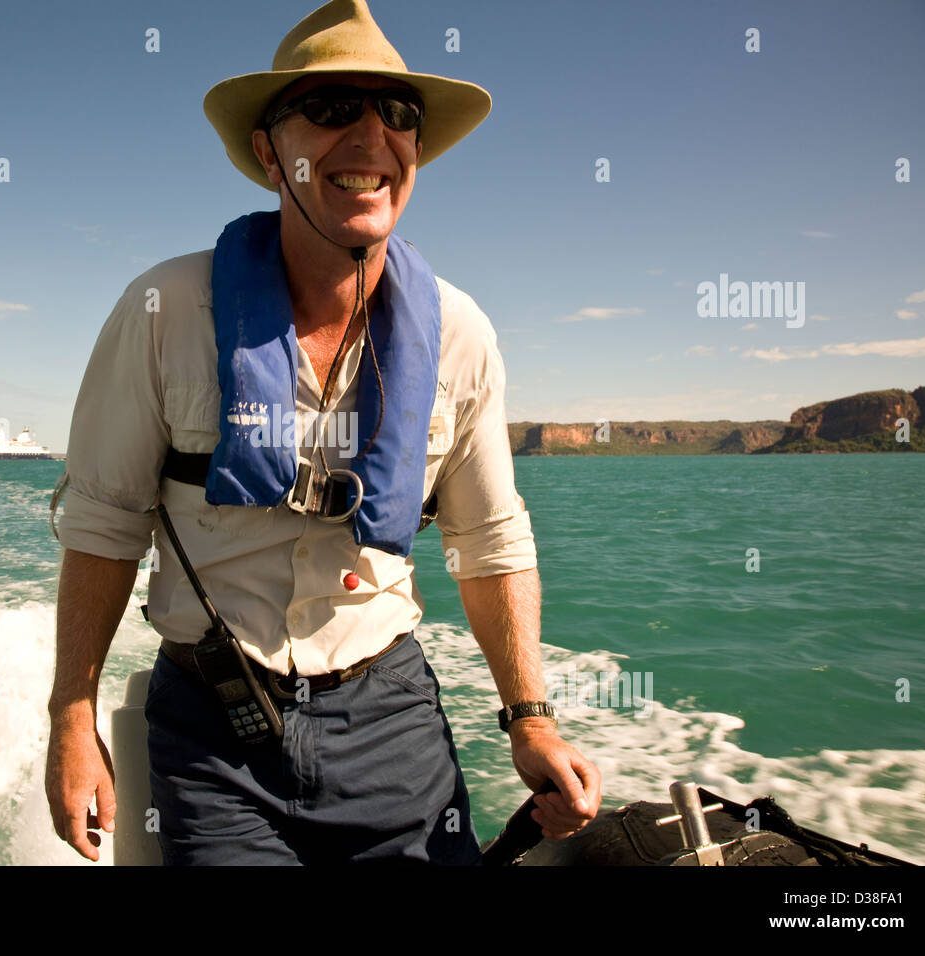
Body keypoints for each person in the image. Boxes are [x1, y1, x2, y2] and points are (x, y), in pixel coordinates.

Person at [45, 0, 601, 865]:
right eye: (334, 108)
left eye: (398, 114)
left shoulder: (460, 334)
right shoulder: (165, 312)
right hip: (213, 733)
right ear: (271, 151)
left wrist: (531, 721)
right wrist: (70, 724)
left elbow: (489, 540)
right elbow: (102, 524)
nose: (372, 136)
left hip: (390, 719)